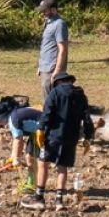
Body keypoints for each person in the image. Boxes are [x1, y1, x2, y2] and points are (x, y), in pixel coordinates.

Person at [32, 74, 90, 206]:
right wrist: (88, 137)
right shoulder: (81, 95)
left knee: (43, 163)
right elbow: (87, 118)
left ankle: (39, 197)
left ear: (58, 82)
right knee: (62, 167)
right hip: (71, 138)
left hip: (53, 136)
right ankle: (59, 201)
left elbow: (47, 112)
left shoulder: (55, 92)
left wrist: (40, 129)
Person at [36, 0, 69, 98]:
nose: (43, 13)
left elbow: (63, 49)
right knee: (47, 99)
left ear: (53, 9)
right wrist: (40, 67)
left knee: (51, 102)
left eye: (45, 10)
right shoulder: (48, 23)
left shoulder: (59, 24)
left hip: (52, 69)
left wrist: (57, 71)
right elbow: (47, 46)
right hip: (45, 68)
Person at [6, 104, 43, 173]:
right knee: (30, 157)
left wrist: (16, 158)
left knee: (31, 158)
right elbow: (16, 140)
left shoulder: (13, 122)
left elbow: (19, 141)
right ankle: (32, 181)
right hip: (37, 129)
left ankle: (34, 181)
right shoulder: (14, 115)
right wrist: (13, 156)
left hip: (43, 129)